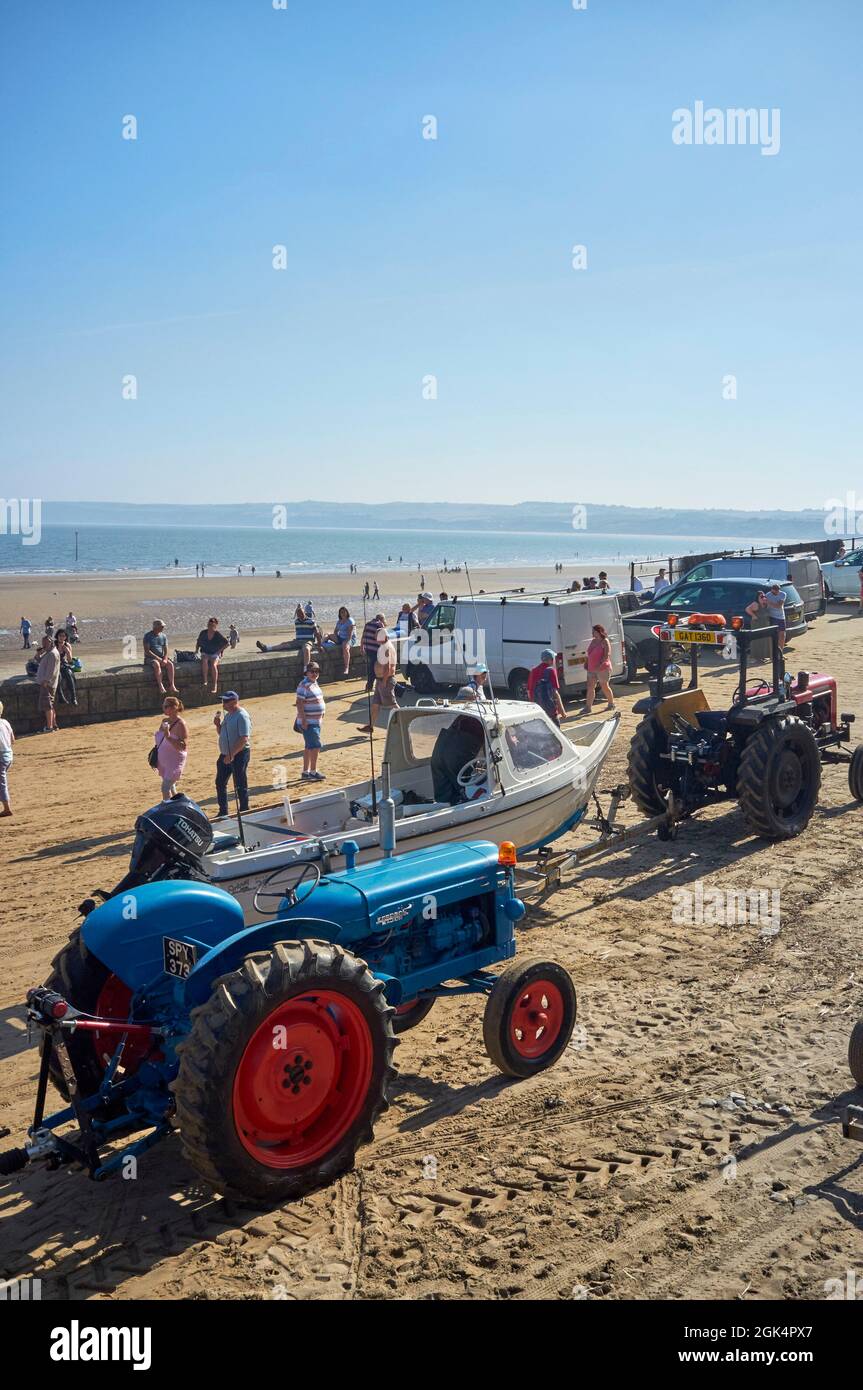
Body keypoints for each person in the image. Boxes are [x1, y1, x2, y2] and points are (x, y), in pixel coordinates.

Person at [213, 691, 251, 816]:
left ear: (234, 701)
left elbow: (244, 738)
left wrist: (231, 755)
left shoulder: (241, 715)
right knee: (220, 783)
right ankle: (223, 811)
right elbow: (223, 734)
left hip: (239, 754)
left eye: (226, 701)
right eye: (222, 701)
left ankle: (244, 809)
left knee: (240, 782)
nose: (223, 704)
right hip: (225, 754)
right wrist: (218, 725)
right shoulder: (229, 715)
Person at [359, 630, 399, 733]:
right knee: (375, 705)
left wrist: (385, 681)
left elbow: (387, 666)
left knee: (392, 705)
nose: (376, 639)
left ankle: (403, 721)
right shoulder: (383, 646)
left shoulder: (386, 647)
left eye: (377, 637)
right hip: (380, 680)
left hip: (385, 680)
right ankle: (370, 726)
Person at [153, 696, 188, 799]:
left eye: (166, 706)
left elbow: (183, 746)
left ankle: (168, 810)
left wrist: (168, 737)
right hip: (164, 760)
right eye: (163, 705)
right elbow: (160, 738)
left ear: (174, 708)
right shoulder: (165, 721)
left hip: (174, 761)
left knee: (165, 788)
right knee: (171, 787)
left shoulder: (181, 724)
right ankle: (178, 806)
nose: (163, 708)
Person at [296, 662, 325, 780]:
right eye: (312, 671)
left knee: (309, 747)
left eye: (316, 671)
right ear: (307, 673)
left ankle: (305, 772)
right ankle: (313, 772)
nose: (314, 673)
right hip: (309, 722)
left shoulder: (314, 683)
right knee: (316, 746)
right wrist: (303, 720)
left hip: (315, 721)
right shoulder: (304, 685)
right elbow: (299, 703)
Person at [583, 624, 615, 713]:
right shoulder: (593, 641)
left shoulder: (605, 641)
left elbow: (607, 654)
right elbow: (589, 653)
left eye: (594, 631)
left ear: (599, 632)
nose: (593, 633)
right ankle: (588, 707)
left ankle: (611, 704)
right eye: (593, 631)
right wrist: (586, 662)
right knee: (590, 687)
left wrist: (599, 664)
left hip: (603, 668)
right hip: (591, 668)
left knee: (604, 686)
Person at [528, 649, 565, 726]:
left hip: (537, 708)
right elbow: (555, 693)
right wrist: (562, 711)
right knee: (555, 729)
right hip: (550, 708)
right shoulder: (551, 671)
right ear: (551, 660)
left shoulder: (533, 671)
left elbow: (529, 691)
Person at [143, 619, 178, 695]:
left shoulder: (163, 636)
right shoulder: (148, 636)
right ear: (156, 627)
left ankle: (172, 685)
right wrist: (158, 659)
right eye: (162, 626)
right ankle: (160, 685)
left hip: (161, 657)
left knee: (170, 664)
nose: (163, 628)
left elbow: (166, 649)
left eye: (163, 626)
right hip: (150, 658)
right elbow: (147, 651)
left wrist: (165, 658)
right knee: (156, 664)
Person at [196, 617, 230, 695]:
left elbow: (227, 643)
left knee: (213, 665)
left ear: (215, 625)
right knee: (204, 660)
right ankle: (205, 681)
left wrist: (219, 651)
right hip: (205, 652)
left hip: (214, 653)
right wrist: (196, 650)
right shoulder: (203, 632)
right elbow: (198, 642)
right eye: (209, 624)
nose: (210, 625)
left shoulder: (217, 634)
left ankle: (215, 685)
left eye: (212, 624)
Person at [321, 606, 356, 677]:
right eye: (341, 612)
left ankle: (346, 667)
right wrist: (335, 638)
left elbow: (350, 636)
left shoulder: (350, 621)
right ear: (339, 614)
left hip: (349, 639)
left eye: (344, 612)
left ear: (347, 612)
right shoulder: (339, 621)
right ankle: (320, 644)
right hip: (341, 638)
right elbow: (335, 631)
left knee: (345, 647)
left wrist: (345, 643)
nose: (343, 613)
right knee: (327, 634)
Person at [36, 633, 60, 733]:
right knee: (50, 705)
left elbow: (51, 670)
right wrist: (38, 653)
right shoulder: (49, 652)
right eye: (43, 643)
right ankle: (54, 725)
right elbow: (38, 660)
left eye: (45, 643)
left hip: (47, 684)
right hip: (48, 683)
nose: (43, 645)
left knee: (47, 706)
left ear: (50, 642)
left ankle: (49, 727)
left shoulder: (52, 654)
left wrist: (45, 681)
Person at [360, 612, 386, 691]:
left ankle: (370, 686)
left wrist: (362, 647)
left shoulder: (367, 624)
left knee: (372, 667)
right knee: (374, 669)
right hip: (375, 649)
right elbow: (383, 638)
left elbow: (363, 636)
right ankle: (369, 686)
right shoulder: (380, 624)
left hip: (368, 648)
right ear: (382, 619)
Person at [760, 582, 787, 649]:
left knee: (782, 634)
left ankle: (781, 651)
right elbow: (764, 605)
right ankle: (772, 651)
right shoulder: (768, 595)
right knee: (773, 635)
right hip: (772, 617)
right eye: (774, 590)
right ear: (772, 589)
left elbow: (778, 606)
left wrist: (768, 602)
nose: (776, 592)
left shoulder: (783, 594)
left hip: (781, 616)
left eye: (777, 590)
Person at [55, 629, 78, 706]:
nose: (61, 637)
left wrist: (67, 652)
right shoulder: (53, 644)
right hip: (55, 664)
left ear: (65, 637)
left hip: (64, 663)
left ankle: (73, 697)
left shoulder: (67, 645)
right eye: (60, 635)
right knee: (58, 676)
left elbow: (70, 661)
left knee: (69, 674)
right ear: (57, 636)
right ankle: (61, 697)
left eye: (63, 636)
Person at [0, 700, 14, 816]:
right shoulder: (5, 722)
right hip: (8, 756)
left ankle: (7, 808)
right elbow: (12, 740)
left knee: (2, 783)